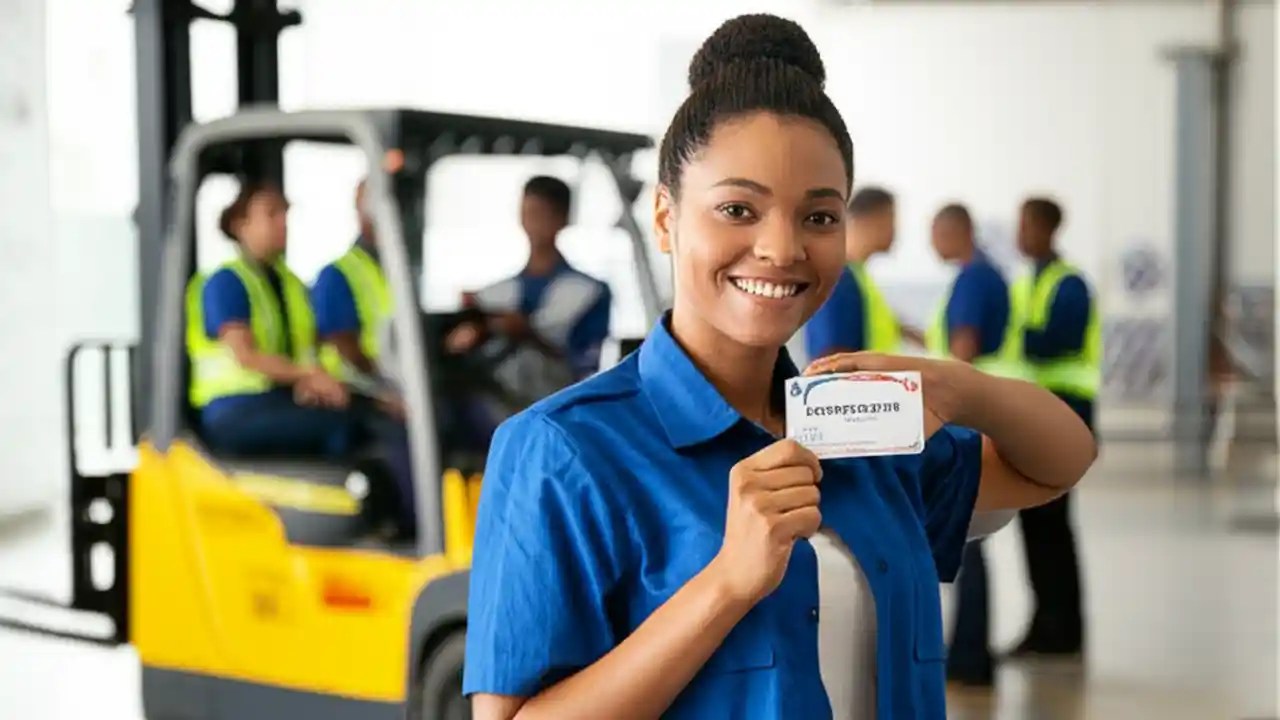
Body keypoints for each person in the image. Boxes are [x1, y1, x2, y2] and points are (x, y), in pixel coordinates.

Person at [463, 14, 1096, 720]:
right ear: (667, 218)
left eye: (820, 217)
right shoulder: (563, 451)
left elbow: (1061, 459)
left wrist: (952, 386)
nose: (782, 248)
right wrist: (727, 584)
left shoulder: (860, 430)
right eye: (739, 208)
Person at [925, 202, 1022, 689]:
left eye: (935, 234)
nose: (931, 245)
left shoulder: (972, 279)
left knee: (968, 538)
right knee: (973, 538)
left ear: (955, 231)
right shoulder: (987, 275)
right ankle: (969, 652)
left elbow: (961, 355)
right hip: (991, 419)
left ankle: (968, 655)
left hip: (974, 422)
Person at [186, 181, 354, 458]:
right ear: (241, 224)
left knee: (358, 419)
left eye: (285, 214)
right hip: (234, 408)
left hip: (277, 399)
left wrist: (316, 383)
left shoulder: (292, 285)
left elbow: (313, 347)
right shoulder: (227, 282)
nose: (283, 223)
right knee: (337, 430)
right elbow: (246, 356)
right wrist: (308, 375)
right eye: (272, 214)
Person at [1006, 196, 1098, 658]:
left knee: (1053, 527)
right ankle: (1043, 627)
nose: (1018, 235)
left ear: (1047, 229)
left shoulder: (1069, 284)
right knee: (1036, 527)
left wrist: (1001, 331)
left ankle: (1064, 631)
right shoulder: (1027, 282)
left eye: (1025, 226)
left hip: (1066, 415)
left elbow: (1054, 343)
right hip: (1035, 417)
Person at [446, 175, 613, 395]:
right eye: (528, 213)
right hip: (495, 406)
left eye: (541, 214)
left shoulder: (588, 293)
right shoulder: (494, 294)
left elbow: (587, 366)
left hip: (555, 408)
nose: (533, 223)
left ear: (562, 218)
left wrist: (529, 334)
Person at [804, 186, 924, 359]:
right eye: (892, 219)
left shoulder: (857, 276)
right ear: (875, 219)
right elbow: (833, 354)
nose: (895, 231)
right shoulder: (841, 279)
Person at [313, 179, 392, 394]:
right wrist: (387, 387)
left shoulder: (401, 269)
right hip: (360, 387)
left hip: (406, 380)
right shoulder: (337, 276)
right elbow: (346, 349)